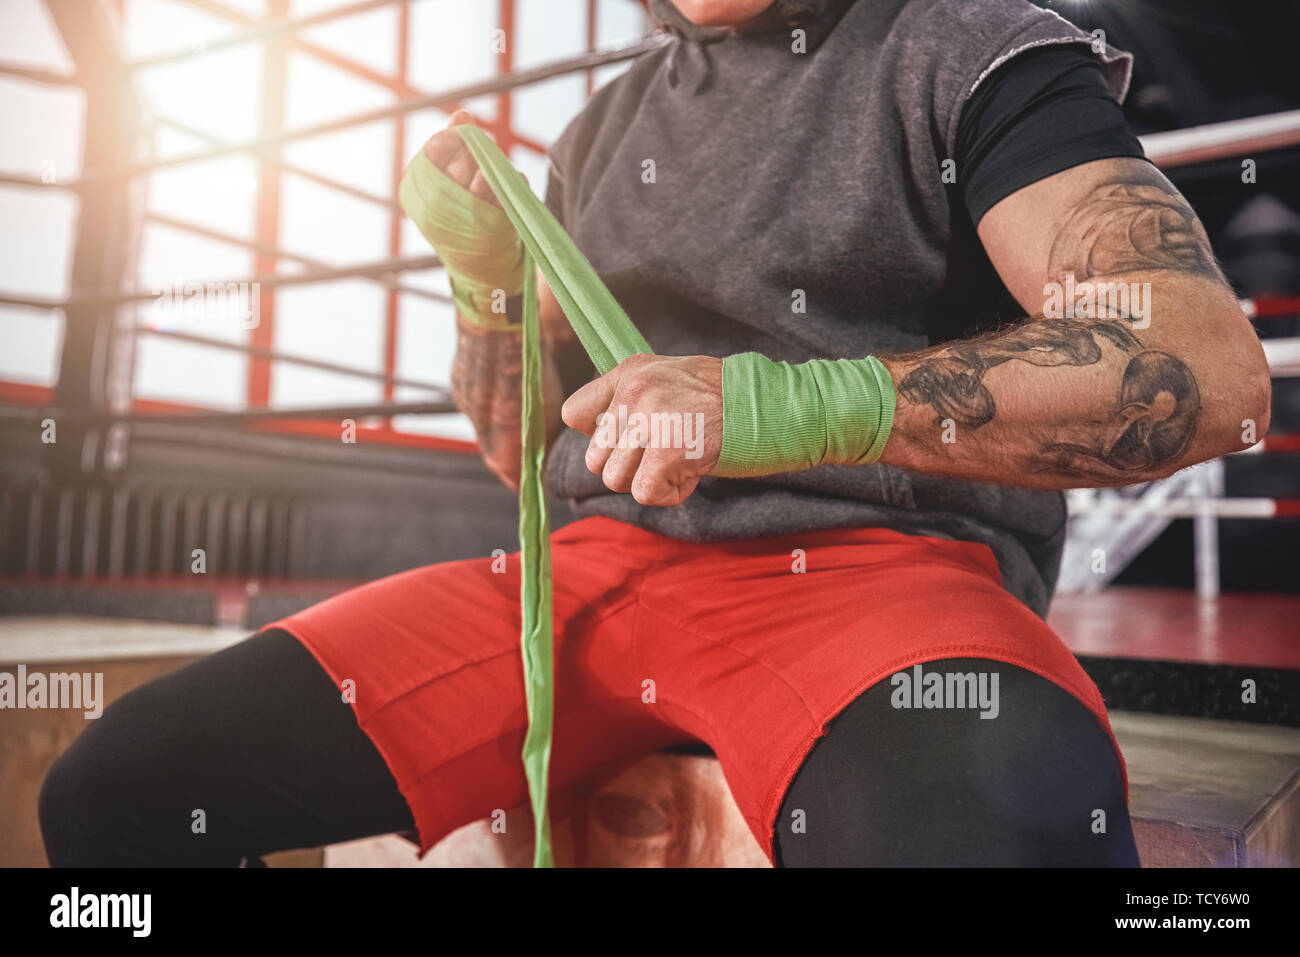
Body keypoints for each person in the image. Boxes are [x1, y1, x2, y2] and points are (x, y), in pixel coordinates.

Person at [40, 0, 1270, 867]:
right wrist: (485, 292)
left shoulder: (974, 50)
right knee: (117, 792)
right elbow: (519, 450)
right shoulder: (599, 132)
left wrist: (792, 406)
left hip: (878, 578)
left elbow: (1203, 372)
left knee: (988, 840)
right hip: (594, 571)